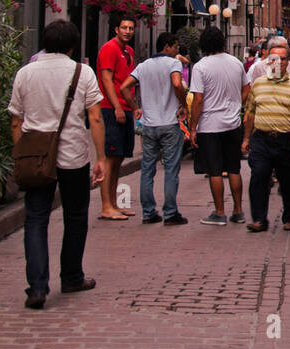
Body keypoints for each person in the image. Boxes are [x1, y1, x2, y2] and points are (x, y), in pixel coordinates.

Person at [8, 20, 106, 309]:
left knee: (36, 219)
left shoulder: (25, 73)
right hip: (73, 157)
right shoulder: (82, 71)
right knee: (75, 216)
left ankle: (37, 287)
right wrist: (100, 157)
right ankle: (72, 275)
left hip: (37, 158)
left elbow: (16, 119)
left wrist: (21, 152)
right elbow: (96, 117)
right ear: (72, 46)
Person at [119, 31, 189, 225]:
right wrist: (183, 104)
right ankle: (170, 213)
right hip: (169, 123)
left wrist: (135, 108)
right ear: (166, 47)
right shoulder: (173, 63)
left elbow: (124, 87)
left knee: (147, 169)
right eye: (175, 47)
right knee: (170, 170)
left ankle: (148, 212)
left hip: (149, 125)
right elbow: (177, 82)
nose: (176, 51)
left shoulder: (143, 66)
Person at [242, 45, 290, 232]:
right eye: (274, 59)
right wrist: (246, 139)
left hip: (286, 138)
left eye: (282, 59)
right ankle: (259, 218)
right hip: (262, 138)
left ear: (287, 62)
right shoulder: (259, 84)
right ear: (268, 61)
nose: (278, 63)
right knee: (259, 175)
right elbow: (250, 113)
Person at [189, 25, 251, 226]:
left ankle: (219, 211)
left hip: (209, 125)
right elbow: (247, 88)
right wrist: (236, 105)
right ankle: (239, 210)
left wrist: (192, 127)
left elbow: (198, 99)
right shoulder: (235, 63)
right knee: (234, 168)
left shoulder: (200, 67)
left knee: (215, 170)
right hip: (232, 124)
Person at [96, 15, 138, 221]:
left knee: (119, 157)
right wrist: (116, 108)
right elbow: (106, 79)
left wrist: (132, 107)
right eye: (124, 27)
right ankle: (105, 206)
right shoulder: (109, 49)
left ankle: (113, 203)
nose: (127, 31)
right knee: (110, 158)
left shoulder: (128, 51)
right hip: (111, 109)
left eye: (130, 28)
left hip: (125, 108)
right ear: (116, 29)